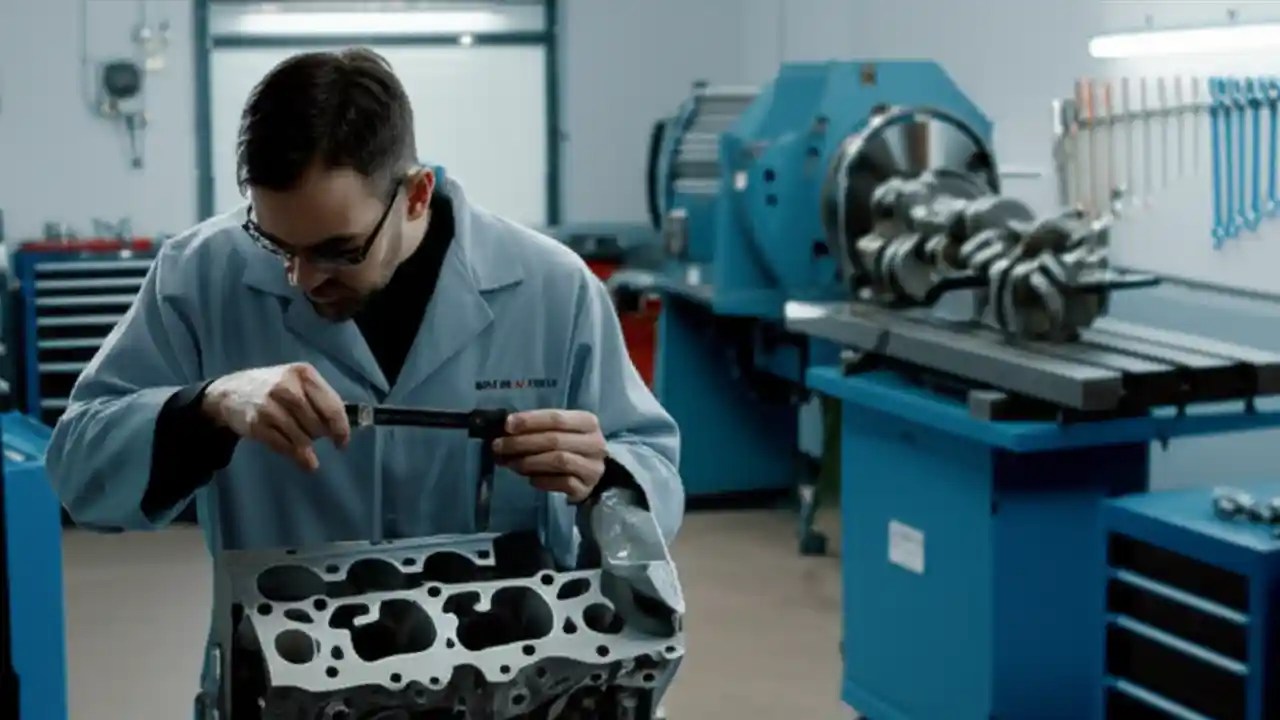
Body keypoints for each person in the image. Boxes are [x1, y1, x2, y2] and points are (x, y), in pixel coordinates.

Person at [44, 46, 684, 705]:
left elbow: (653, 472)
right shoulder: (199, 278)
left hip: (497, 686)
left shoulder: (553, 289)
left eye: (337, 251)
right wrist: (206, 407)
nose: (300, 279)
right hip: (290, 688)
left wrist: (602, 472)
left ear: (416, 195)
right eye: (275, 244)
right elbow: (79, 473)